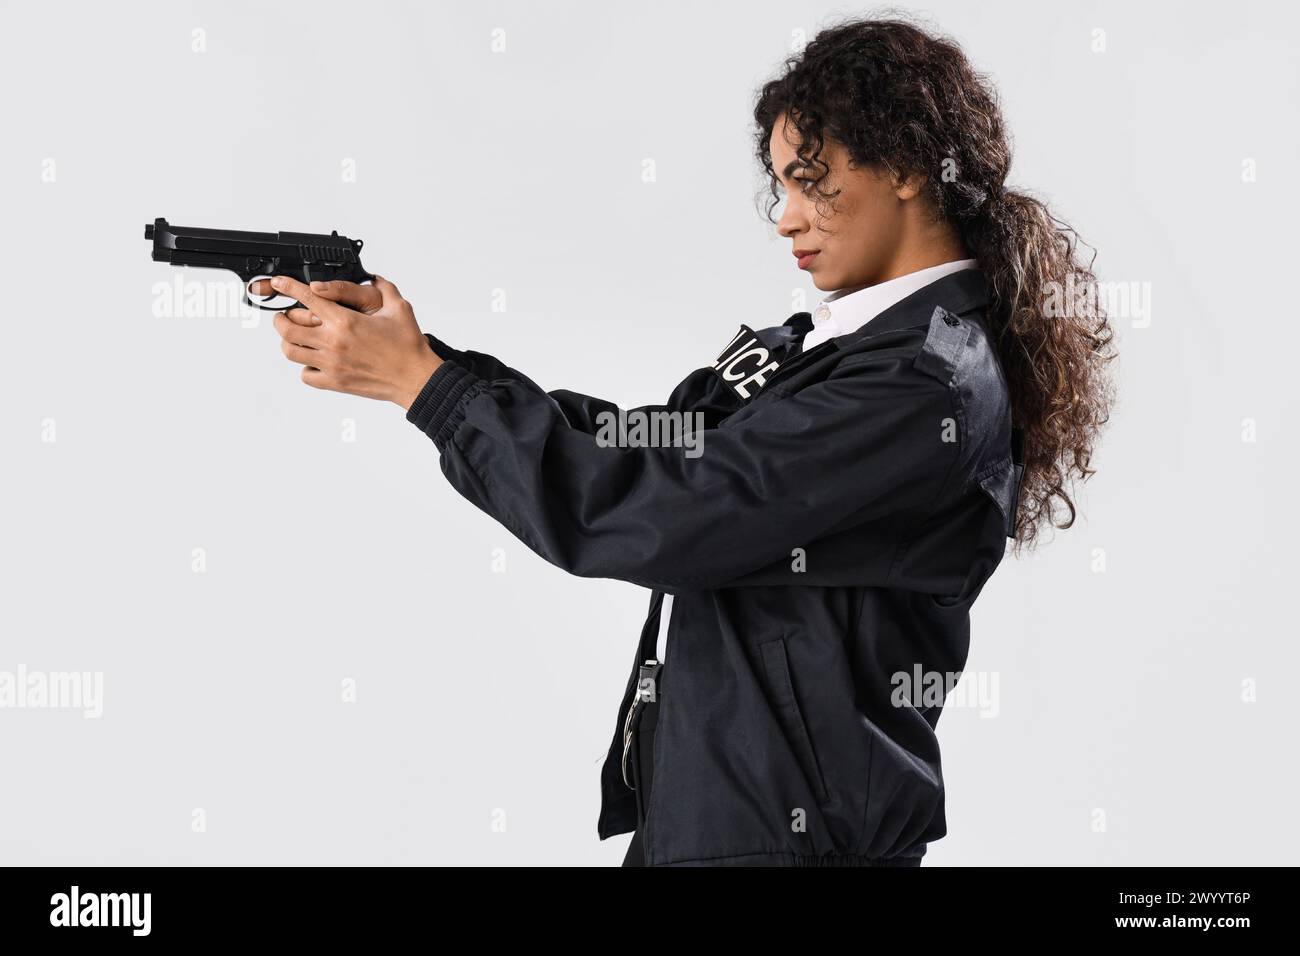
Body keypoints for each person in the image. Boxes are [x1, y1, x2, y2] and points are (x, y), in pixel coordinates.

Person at [254, 15, 1115, 867]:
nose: (787, 218)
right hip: (729, 820)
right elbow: (653, 449)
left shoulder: (920, 384)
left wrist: (426, 389)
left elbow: (660, 515)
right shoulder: (839, 350)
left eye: (811, 180)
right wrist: (431, 363)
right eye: (780, 186)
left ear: (907, 169)